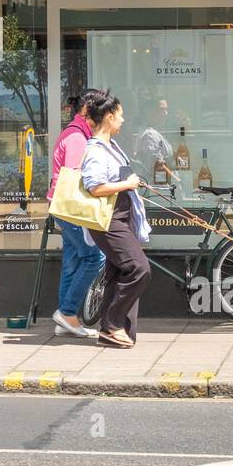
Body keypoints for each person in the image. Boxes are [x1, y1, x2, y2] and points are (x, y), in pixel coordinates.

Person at [81, 92, 152, 349]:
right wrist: (128, 183)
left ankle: (113, 332)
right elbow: (95, 187)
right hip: (108, 220)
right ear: (109, 117)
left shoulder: (112, 146)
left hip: (121, 216)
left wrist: (131, 183)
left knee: (119, 270)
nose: (123, 119)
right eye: (120, 115)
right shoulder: (96, 150)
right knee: (139, 268)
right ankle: (112, 323)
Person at [47, 88, 106, 338]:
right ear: (87, 110)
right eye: (101, 112)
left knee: (72, 262)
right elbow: (75, 176)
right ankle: (68, 312)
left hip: (60, 206)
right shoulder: (77, 138)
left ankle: (65, 320)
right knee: (95, 258)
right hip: (70, 209)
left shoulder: (74, 132)